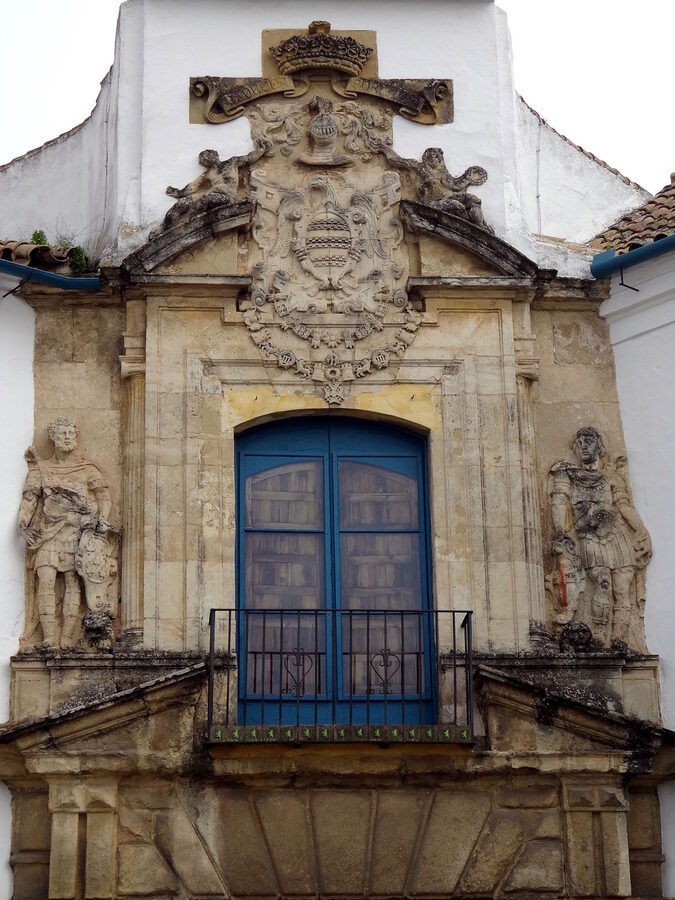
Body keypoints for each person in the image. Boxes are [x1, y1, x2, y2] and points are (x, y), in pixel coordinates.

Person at [548, 426, 651, 647]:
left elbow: (623, 506)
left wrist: (641, 531)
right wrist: (560, 531)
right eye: (580, 442)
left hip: (617, 534)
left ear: (599, 445)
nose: (584, 445)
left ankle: (620, 638)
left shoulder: (611, 478)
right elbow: (559, 501)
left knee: (622, 589)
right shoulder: (568, 474)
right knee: (603, 583)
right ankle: (600, 636)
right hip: (589, 536)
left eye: (589, 441)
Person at [18, 418, 113, 648]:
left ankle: (68, 639)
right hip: (48, 532)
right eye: (62, 434)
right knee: (46, 581)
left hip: (76, 533)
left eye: (71, 434)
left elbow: (104, 498)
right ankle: (50, 637)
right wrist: (23, 524)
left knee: (73, 582)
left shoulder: (87, 469)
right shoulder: (41, 469)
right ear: (53, 438)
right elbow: (30, 499)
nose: (68, 438)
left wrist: (102, 520)